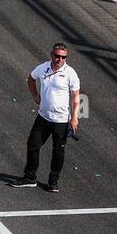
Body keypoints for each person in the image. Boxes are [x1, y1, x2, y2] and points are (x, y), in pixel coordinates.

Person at [10, 43, 81, 193]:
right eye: (57, 56)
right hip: (43, 117)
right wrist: (35, 95)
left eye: (63, 57)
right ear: (51, 55)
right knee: (33, 145)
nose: (59, 59)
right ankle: (30, 178)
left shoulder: (70, 73)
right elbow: (30, 79)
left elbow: (76, 98)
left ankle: (53, 182)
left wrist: (74, 118)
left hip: (61, 120)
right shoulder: (43, 68)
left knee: (58, 151)